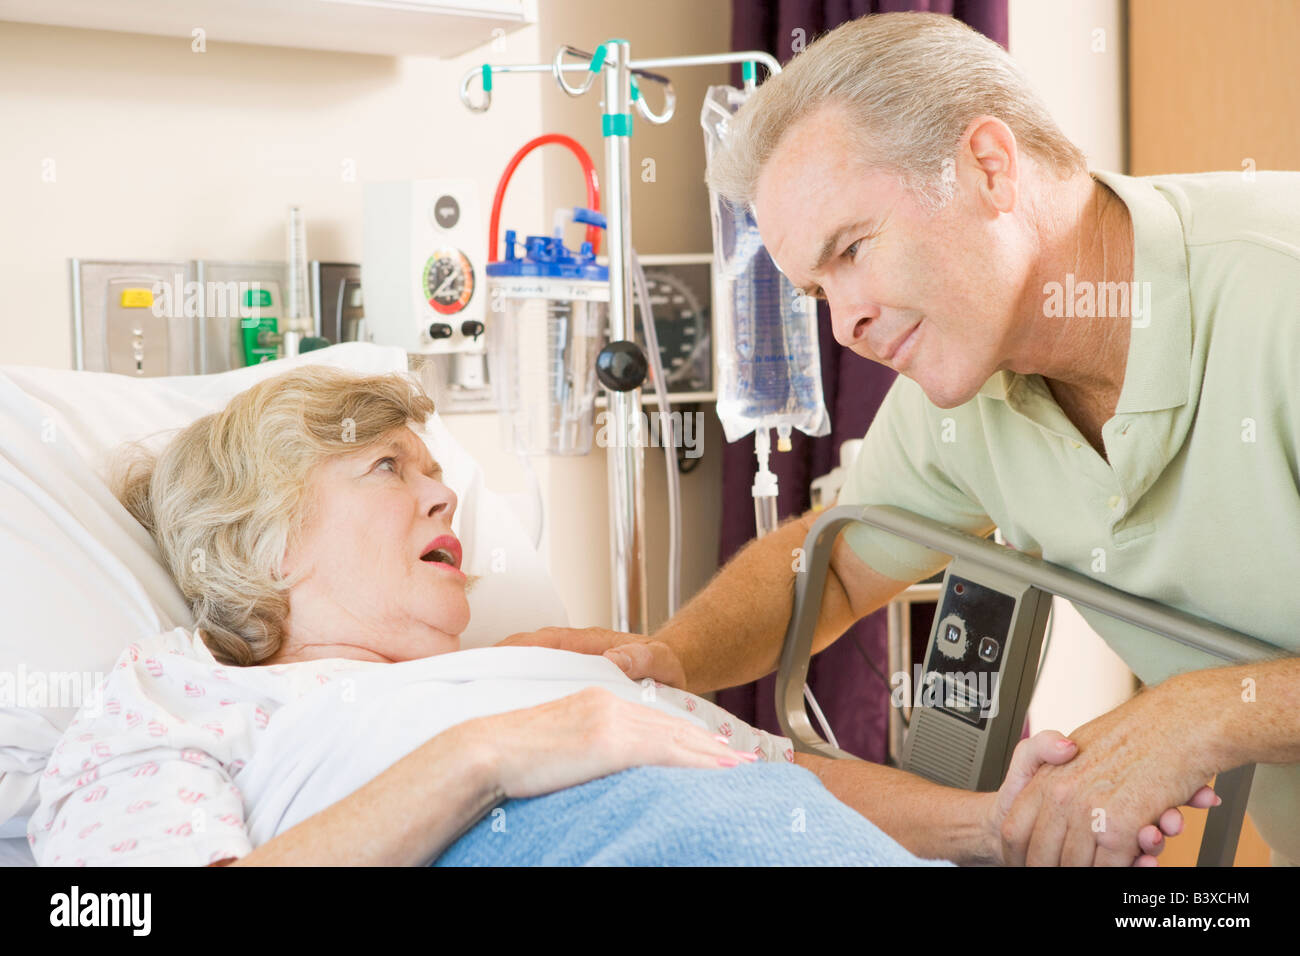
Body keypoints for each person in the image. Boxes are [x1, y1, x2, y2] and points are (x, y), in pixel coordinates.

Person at [503, 11, 1300, 867]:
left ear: (989, 167)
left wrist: (1204, 711)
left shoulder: (1276, 293)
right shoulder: (968, 383)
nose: (845, 323)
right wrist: (669, 659)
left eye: (852, 250)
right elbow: (837, 566)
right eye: (817, 289)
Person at [30, 365, 1106, 867]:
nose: (444, 493)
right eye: (387, 468)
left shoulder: (544, 668)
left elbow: (778, 781)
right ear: (263, 543)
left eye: (439, 468)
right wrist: (489, 755)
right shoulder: (176, 694)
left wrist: (998, 824)